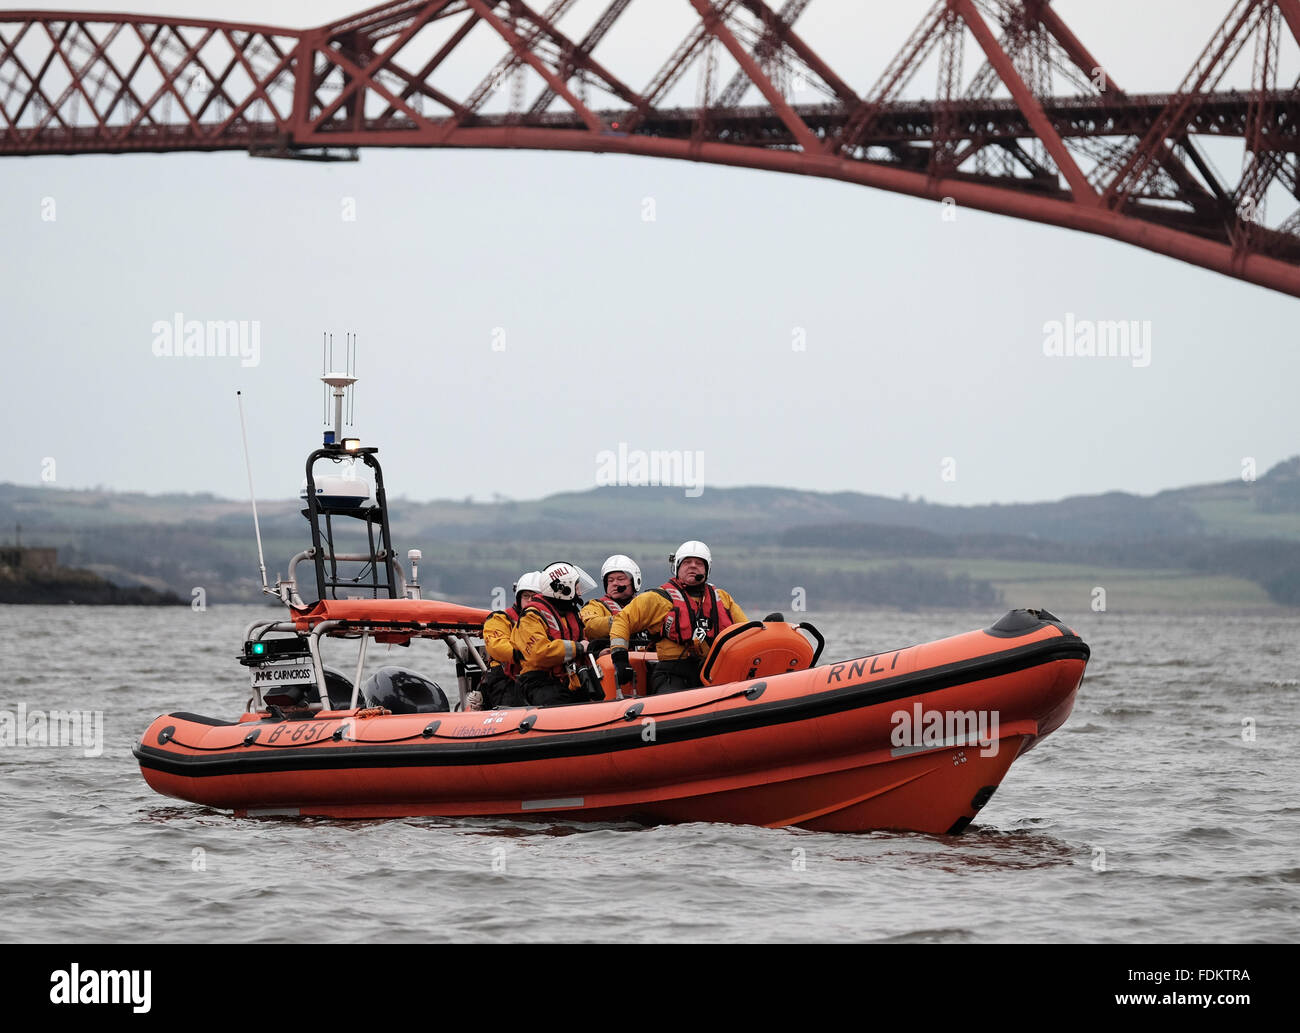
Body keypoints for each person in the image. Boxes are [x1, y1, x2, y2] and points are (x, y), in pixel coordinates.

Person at [608, 540, 748, 695]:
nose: (693, 566)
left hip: (712, 672)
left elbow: (745, 632)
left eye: (699, 563)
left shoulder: (722, 599)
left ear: (707, 569)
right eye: (687, 562)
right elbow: (622, 620)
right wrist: (620, 659)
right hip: (672, 674)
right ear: (676, 567)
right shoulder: (658, 599)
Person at [512, 561, 598, 707]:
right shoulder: (532, 616)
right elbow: (539, 652)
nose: (580, 593)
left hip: (569, 679)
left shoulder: (570, 614)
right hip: (539, 682)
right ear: (563, 588)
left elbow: (584, 641)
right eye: (576, 587)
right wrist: (578, 648)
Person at [475, 570, 543, 709]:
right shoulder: (500, 618)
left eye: (534, 597)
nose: (530, 600)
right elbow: (497, 645)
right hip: (506, 679)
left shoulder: (548, 621)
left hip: (538, 677)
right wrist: (524, 654)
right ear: (519, 598)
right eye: (526, 596)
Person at [580, 554, 643, 655]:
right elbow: (589, 626)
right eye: (610, 580)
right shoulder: (596, 605)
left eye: (620, 579)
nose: (615, 583)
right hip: (613, 659)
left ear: (634, 581)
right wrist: (622, 620)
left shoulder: (645, 604)